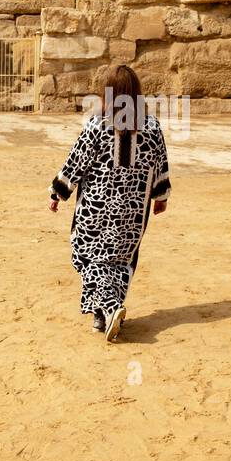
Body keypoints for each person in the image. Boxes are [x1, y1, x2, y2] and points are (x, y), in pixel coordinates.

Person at [49, 65, 170, 342]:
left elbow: (76, 163)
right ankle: (102, 316)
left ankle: (110, 307)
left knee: (87, 255)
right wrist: (160, 197)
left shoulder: (97, 125)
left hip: (96, 210)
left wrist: (58, 192)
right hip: (132, 214)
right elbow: (160, 165)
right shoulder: (152, 128)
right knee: (120, 262)